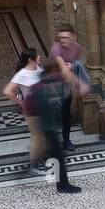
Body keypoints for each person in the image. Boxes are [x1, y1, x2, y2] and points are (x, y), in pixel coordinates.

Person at [27, 62, 82, 193]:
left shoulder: (47, 83)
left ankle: (62, 184)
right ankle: (62, 186)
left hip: (48, 126)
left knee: (57, 156)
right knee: (58, 157)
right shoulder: (41, 87)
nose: (59, 74)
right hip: (47, 127)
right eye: (57, 72)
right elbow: (44, 107)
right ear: (52, 72)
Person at [5, 48, 47, 177]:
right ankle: (33, 166)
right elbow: (8, 91)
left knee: (43, 135)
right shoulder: (22, 74)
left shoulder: (38, 68)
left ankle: (40, 156)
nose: (39, 56)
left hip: (42, 107)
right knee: (37, 136)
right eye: (36, 56)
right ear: (30, 59)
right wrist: (21, 102)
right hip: (32, 110)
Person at [49, 25, 88, 152]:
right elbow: (63, 68)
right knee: (52, 114)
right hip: (53, 86)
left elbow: (79, 62)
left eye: (66, 37)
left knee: (65, 113)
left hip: (66, 85)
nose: (63, 40)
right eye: (61, 38)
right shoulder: (56, 49)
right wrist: (80, 85)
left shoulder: (76, 47)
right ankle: (49, 143)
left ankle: (66, 140)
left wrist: (73, 65)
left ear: (72, 37)